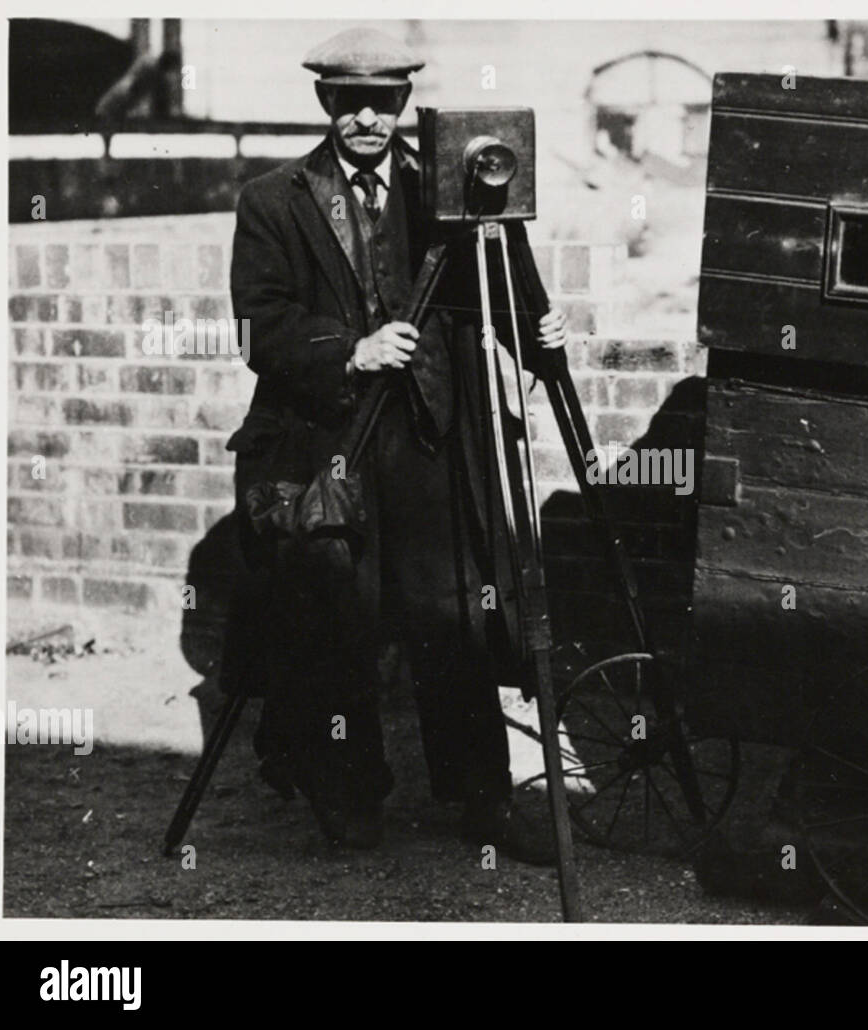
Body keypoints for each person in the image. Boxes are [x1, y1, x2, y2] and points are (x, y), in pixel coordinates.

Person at [225, 26, 566, 859]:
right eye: (351, 103)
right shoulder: (275, 200)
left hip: (430, 441)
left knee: (455, 613)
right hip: (325, 440)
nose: (369, 119)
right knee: (336, 618)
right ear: (326, 104)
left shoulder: (448, 186)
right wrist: (351, 349)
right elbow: (261, 328)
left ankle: (482, 796)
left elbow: (509, 294)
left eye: (384, 102)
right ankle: (348, 792)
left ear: (406, 104)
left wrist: (541, 331)